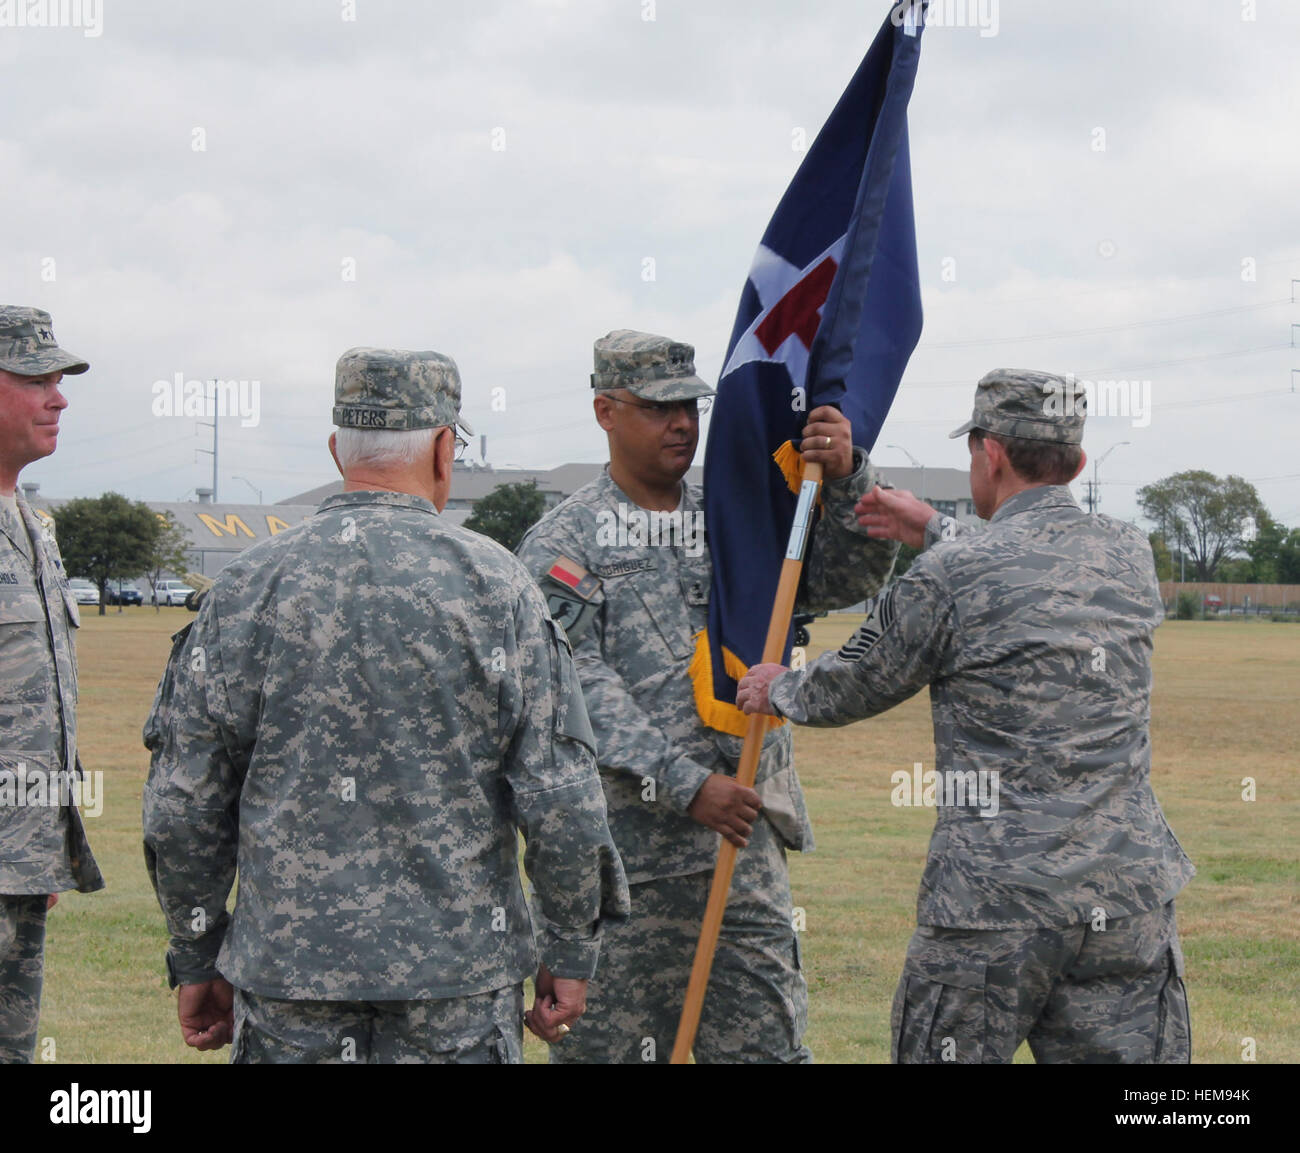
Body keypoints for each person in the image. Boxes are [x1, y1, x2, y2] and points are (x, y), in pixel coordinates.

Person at [142, 346, 628, 1063]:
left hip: (288, 986)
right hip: (455, 990)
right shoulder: (500, 589)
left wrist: (195, 947)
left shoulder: (246, 590)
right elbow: (560, 798)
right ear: (442, 448)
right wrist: (570, 946)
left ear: (338, 449)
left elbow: (184, 803)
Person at [737, 368, 1195, 1064]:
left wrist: (781, 686)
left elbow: (858, 680)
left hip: (993, 904)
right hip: (1126, 897)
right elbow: (1037, 567)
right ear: (1074, 461)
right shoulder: (1130, 555)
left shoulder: (952, 574)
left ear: (991, 454)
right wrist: (936, 528)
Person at [516, 329, 898, 1063]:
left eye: (690, 406)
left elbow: (847, 579)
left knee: (764, 1049)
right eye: (659, 408)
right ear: (605, 410)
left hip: (741, 850)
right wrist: (687, 784)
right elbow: (577, 685)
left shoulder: (739, 516)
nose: (683, 423)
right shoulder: (566, 542)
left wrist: (849, 475)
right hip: (627, 866)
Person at [0, 306, 104, 1064]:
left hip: (20, 860)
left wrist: (39, 845)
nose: (58, 398)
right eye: (36, 379)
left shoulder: (35, 524)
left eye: (59, 380)